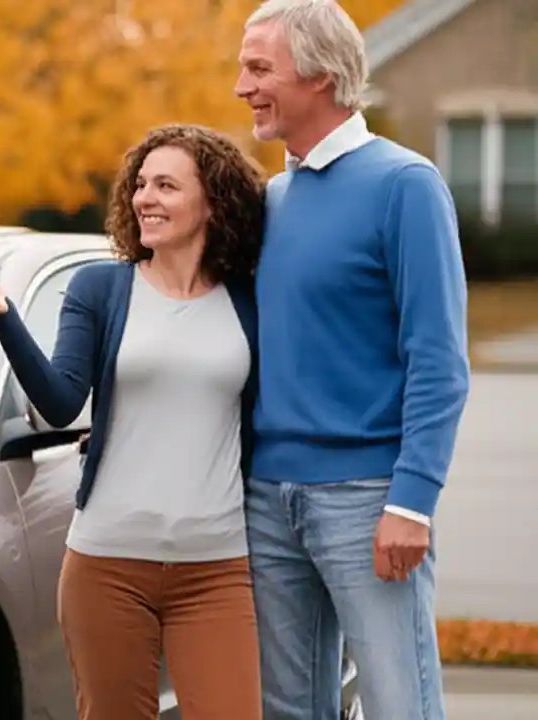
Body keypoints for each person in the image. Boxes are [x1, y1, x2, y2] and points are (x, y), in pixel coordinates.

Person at [0, 124, 266, 719]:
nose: (145, 198)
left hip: (218, 568)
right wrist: (4, 317)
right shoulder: (102, 288)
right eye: (141, 184)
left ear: (213, 201)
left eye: (167, 186)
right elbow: (59, 402)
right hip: (108, 565)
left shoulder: (247, 300)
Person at [233, 1, 471, 718]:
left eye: (258, 68)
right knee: (290, 709)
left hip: (369, 500)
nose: (242, 87)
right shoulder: (271, 198)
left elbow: (437, 358)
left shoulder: (405, 185)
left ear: (321, 74)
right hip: (268, 500)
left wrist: (412, 501)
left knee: (400, 704)